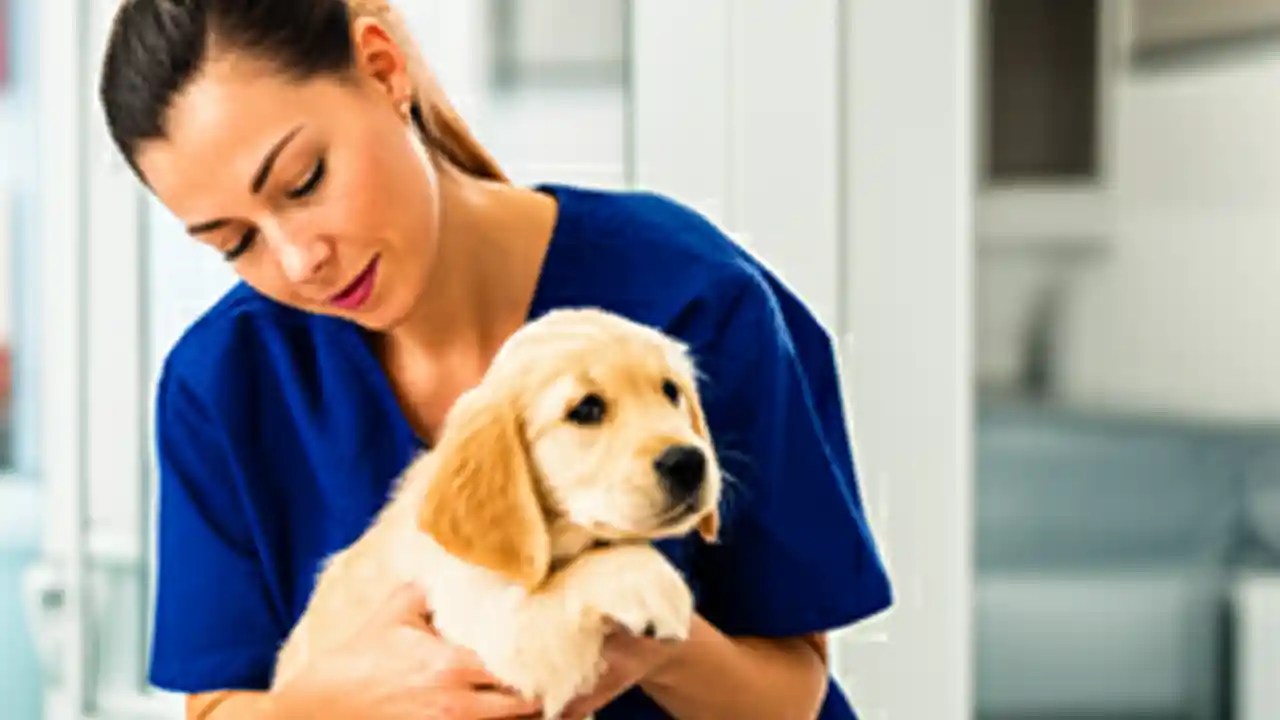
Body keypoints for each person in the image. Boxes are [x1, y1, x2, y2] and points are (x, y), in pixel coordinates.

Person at [97, 1, 894, 718]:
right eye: (235, 242)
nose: (299, 259)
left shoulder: (692, 297)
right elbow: (219, 709)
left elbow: (793, 692)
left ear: (382, 68)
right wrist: (345, 698)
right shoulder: (225, 382)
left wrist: (646, 639)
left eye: (305, 182)